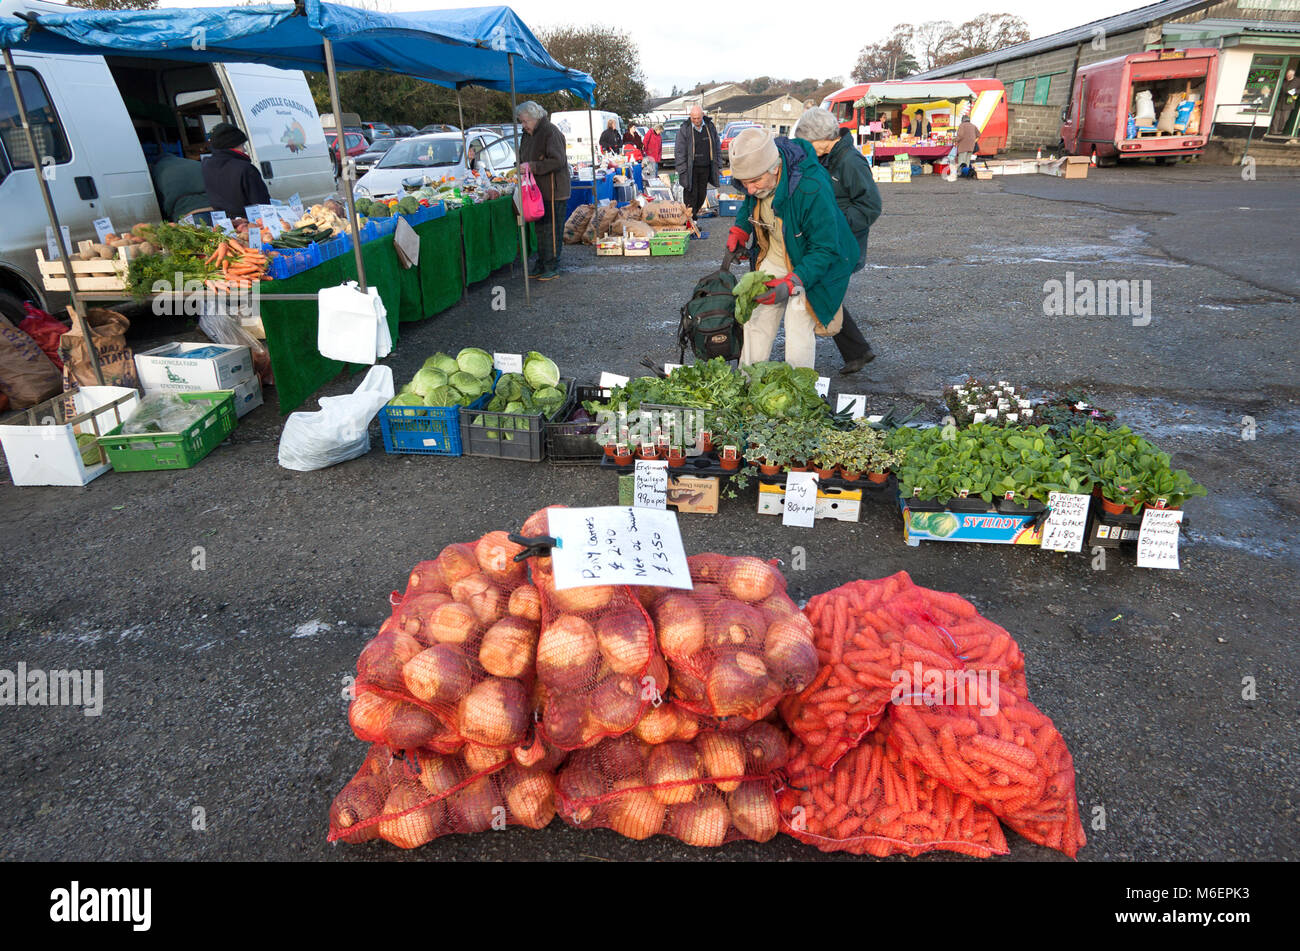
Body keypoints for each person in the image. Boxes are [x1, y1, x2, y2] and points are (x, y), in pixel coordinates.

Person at [724, 127, 857, 369]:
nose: (750, 189)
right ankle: (746, 383)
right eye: (744, 183)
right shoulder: (760, 176)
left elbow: (825, 249)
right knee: (757, 316)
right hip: (777, 254)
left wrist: (792, 282)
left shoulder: (812, 189)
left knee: (797, 320)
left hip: (812, 262)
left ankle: (798, 387)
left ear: (775, 167)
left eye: (754, 181)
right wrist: (741, 229)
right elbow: (749, 202)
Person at [792, 108, 881, 375]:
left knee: (820, 289)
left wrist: (836, 221)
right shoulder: (826, 158)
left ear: (822, 139)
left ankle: (855, 351)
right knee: (822, 289)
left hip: (845, 242)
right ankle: (858, 352)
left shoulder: (850, 162)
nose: (806, 150)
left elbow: (871, 206)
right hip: (830, 239)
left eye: (808, 144)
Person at [515, 100, 570, 282]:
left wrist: (532, 166)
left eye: (525, 122)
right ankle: (541, 261)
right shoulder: (527, 134)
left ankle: (551, 264)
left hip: (554, 190)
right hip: (536, 191)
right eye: (521, 122)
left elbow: (558, 160)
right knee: (540, 229)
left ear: (535, 118)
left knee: (552, 229)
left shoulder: (550, 132)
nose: (523, 125)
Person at [201, 121, 270, 219]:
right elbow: (262, 204)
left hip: (221, 223)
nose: (244, 150)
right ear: (232, 145)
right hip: (247, 223)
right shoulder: (245, 169)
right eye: (242, 145)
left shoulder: (206, 165)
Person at [675, 105, 721, 220]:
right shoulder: (684, 129)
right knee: (691, 195)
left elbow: (716, 146)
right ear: (690, 117)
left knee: (701, 195)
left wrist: (718, 164)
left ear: (703, 115)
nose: (696, 121)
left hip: (705, 167)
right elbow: (679, 150)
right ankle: (691, 221)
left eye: (698, 118)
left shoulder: (710, 127)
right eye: (694, 118)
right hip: (691, 168)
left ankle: (693, 218)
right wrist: (682, 169)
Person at [149, 152, 210, 221]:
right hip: (215, 207)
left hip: (187, 212)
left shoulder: (157, 171)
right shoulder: (193, 163)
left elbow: (159, 201)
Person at [1271, 68, 1298, 137]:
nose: (1288, 75)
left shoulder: (1297, 81)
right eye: (1288, 74)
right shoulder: (1282, 81)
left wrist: (1295, 92)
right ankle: (1274, 132)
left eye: (1290, 74)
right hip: (1279, 102)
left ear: (1293, 75)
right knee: (1276, 118)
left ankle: (1280, 131)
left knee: (1284, 118)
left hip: (1289, 103)